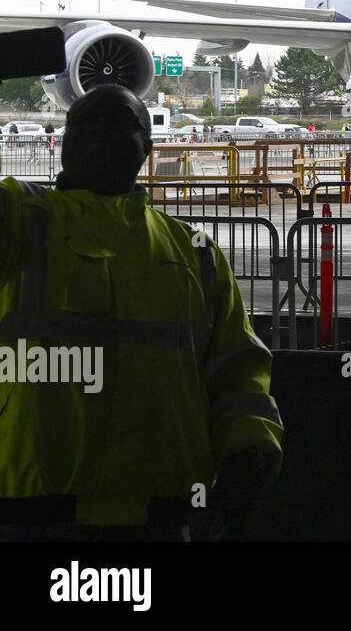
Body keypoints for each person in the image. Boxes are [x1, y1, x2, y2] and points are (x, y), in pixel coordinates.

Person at [0, 85, 283, 541]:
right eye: (84, 122)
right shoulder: (17, 216)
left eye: (119, 123)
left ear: (147, 149)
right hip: (27, 507)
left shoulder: (195, 253)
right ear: (62, 140)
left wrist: (249, 453)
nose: (99, 131)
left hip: (157, 513)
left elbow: (236, 371)